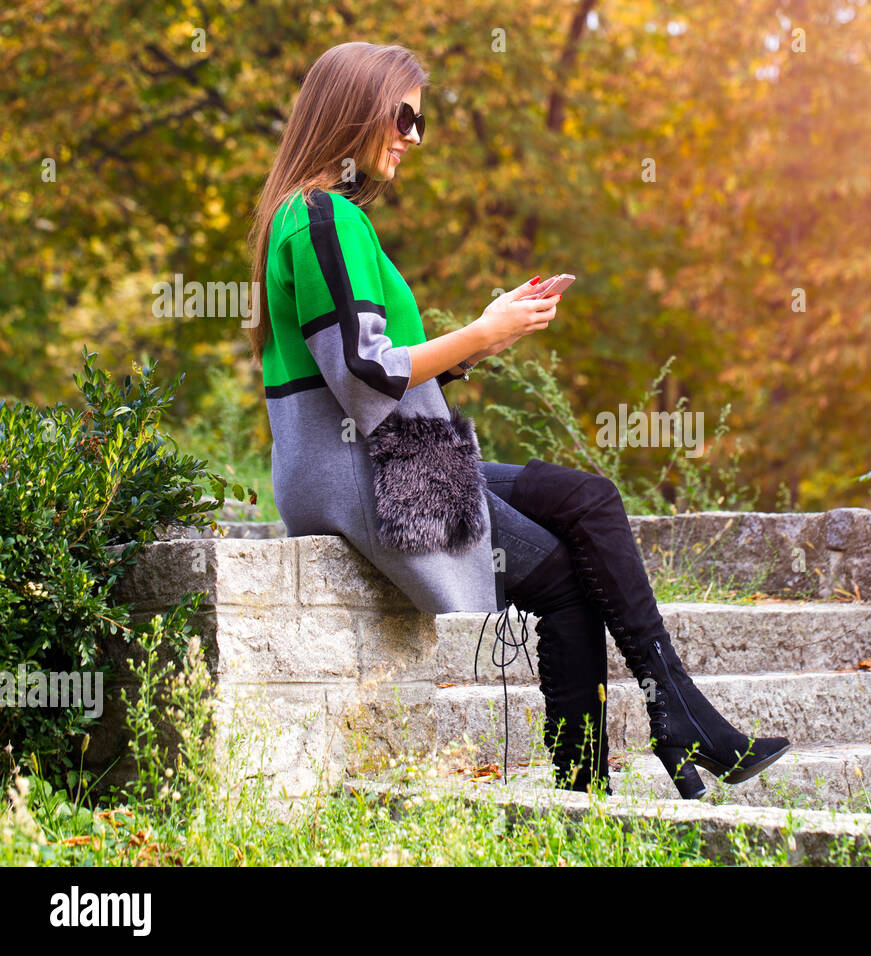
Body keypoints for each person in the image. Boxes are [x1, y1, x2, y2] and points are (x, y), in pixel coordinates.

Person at [246, 41, 790, 798]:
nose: (411, 135)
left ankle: (676, 719)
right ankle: (591, 786)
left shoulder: (326, 218)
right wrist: (482, 333)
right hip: (368, 470)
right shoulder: (321, 218)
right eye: (402, 116)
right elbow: (366, 371)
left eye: (421, 122)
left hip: (389, 453)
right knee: (565, 581)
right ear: (354, 108)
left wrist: (489, 330)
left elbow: (377, 360)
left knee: (589, 498)